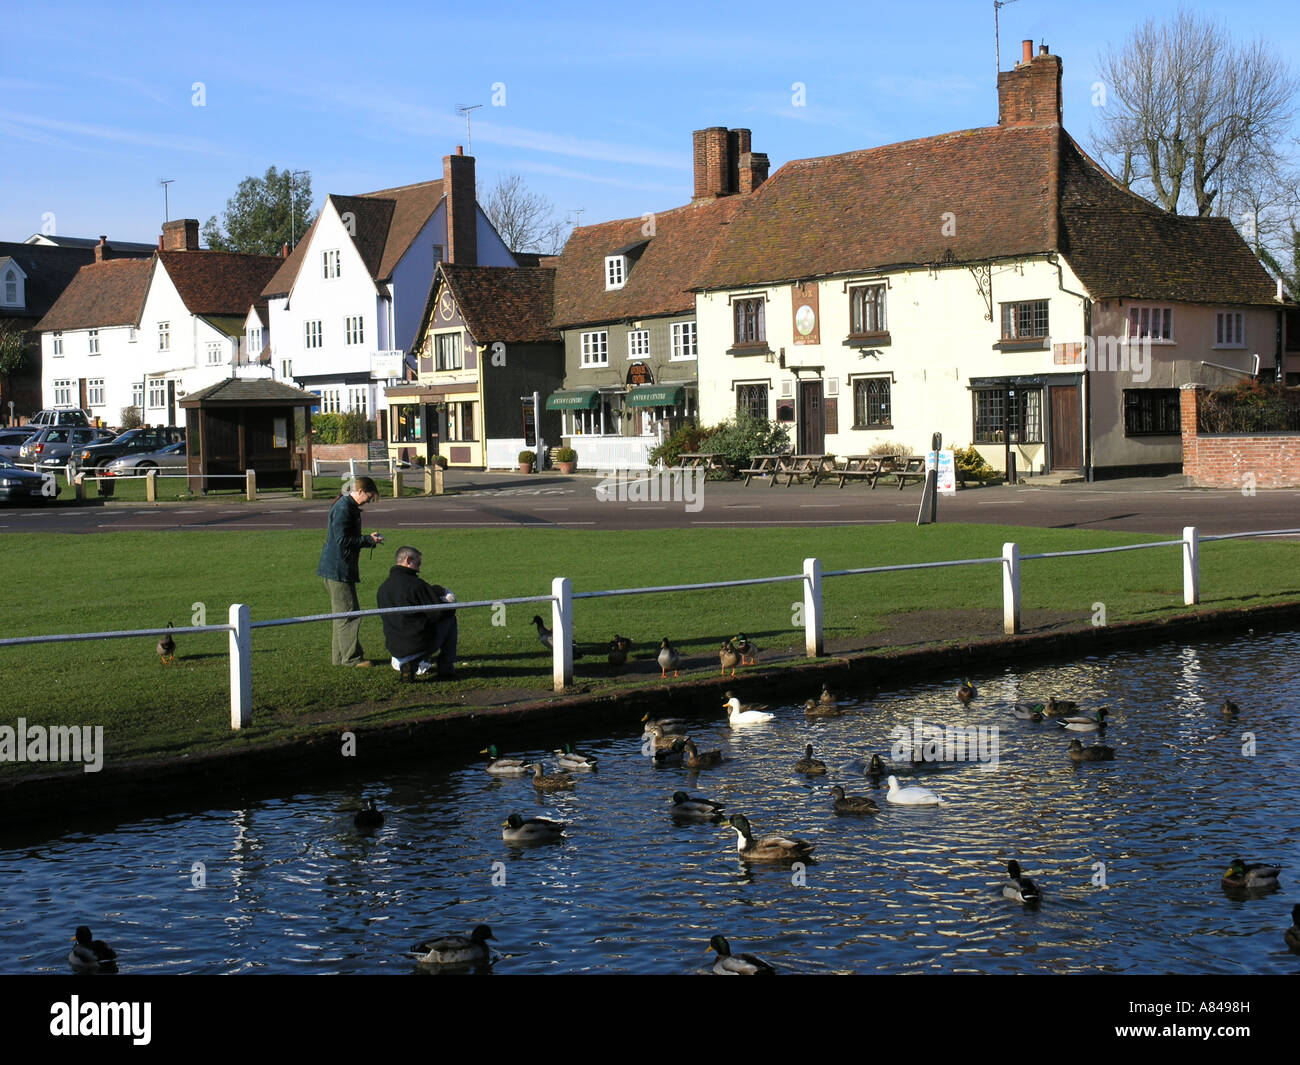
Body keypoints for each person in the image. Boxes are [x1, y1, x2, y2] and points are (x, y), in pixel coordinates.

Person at [317, 475, 384, 666]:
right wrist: (368, 540)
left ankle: (339, 657)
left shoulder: (348, 507)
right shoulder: (344, 509)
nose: (370, 501)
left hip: (336, 569)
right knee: (349, 614)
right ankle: (352, 658)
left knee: (341, 615)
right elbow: (342, 540)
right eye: (369, 497)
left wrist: (367, 539)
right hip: (338, 570)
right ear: (360, 491)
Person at [376, 545, 459, 681]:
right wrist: (450, 603)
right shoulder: (416, 585)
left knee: (411, 631)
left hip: (394, 646)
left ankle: (410, 664)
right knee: (450, 619)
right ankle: (446, 669)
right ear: (408, 560)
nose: (419, 569)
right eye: (418, 564)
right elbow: (438, 613)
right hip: (418, 643)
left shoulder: (383, 588)